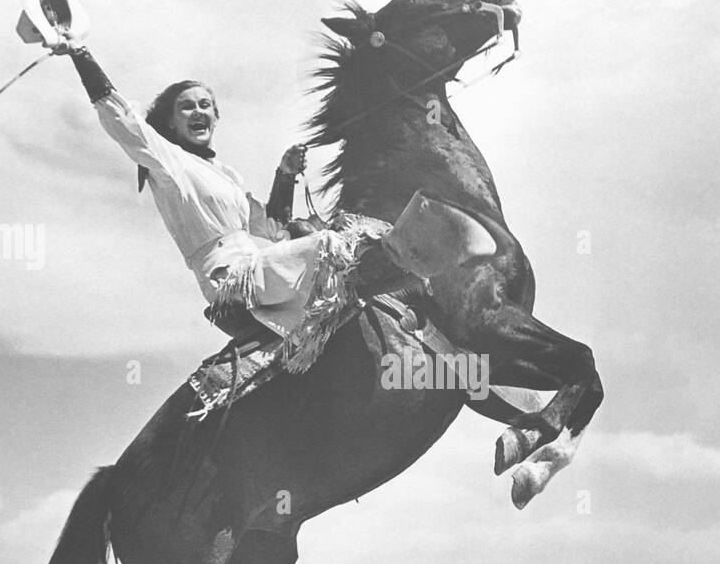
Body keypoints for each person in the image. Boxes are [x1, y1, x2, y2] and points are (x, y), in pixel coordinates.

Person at [52, 39, 498, 364]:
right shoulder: (168, 164)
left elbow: (273, 229)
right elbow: (124, 122)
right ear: (170, 122)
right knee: (330, 247)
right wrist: (80, 53)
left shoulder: (225, 176)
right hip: (231, 280)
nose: (199, 112)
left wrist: (285, 174)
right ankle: (441, 249)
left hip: (263, 264)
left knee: (339, 231)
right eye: (186, 107)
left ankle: (425, 296)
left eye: (206, 105)